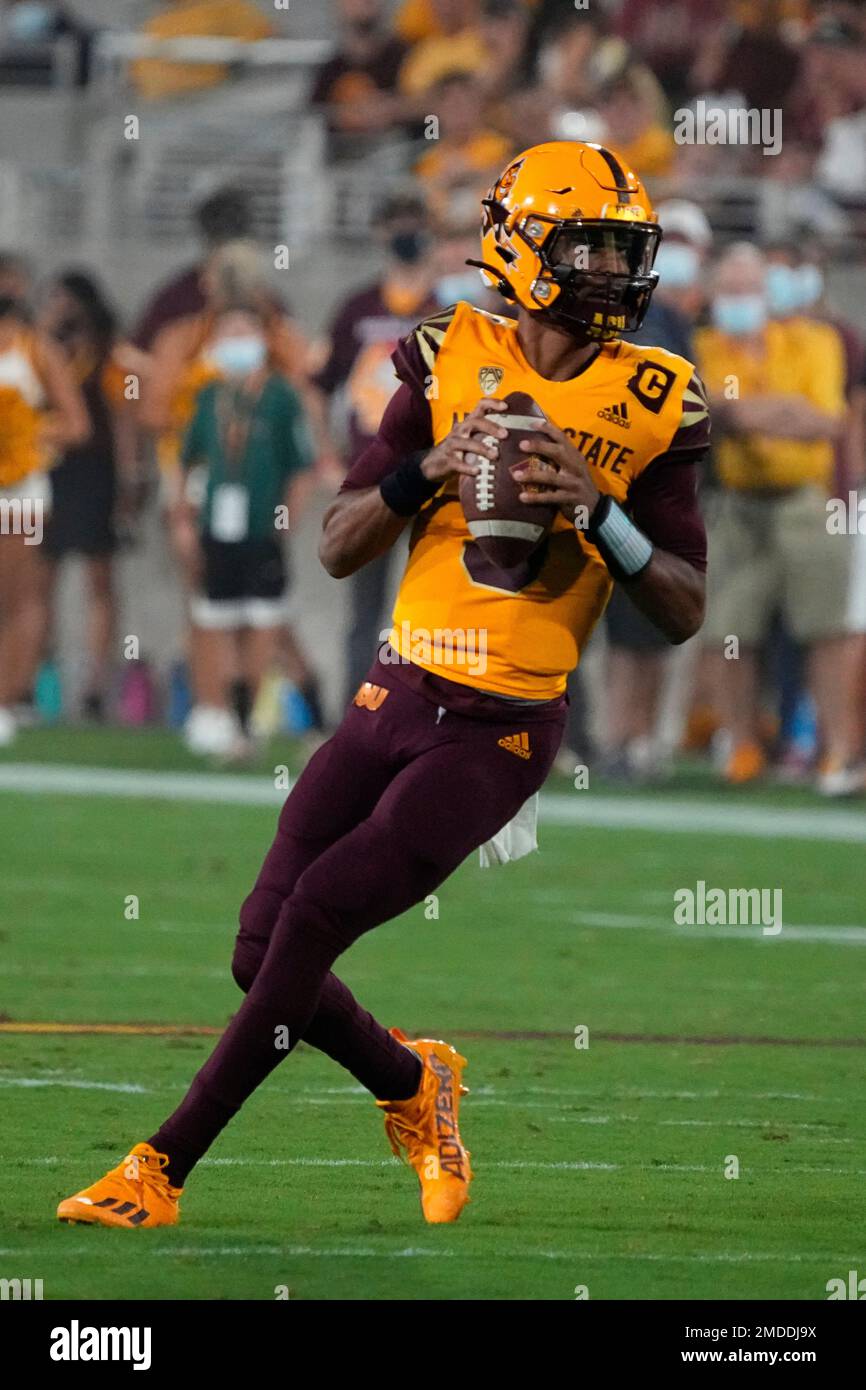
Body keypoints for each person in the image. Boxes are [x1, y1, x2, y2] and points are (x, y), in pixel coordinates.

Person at [56, 141, 709, 1230]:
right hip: (392, 694)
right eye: (588, 242)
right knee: (257, 951)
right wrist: (429, 469)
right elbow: (339, 542)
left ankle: (158, 1169)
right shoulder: (449, 351)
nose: (610, 268)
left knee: (314, 915)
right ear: (523, 246)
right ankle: (412, 1086)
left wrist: (600, 511)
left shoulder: (655, 396)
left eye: (621, 248)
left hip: (496, 730)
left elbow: (683, 605)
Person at [695, 242, 850, 787]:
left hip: (804, 499)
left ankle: (840, 751)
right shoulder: (704, 347)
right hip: (739, 507)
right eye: (729, 290)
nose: (739, 300)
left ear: (767, 293)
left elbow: (825, 422)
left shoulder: (814, 340)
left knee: (826, 630)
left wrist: (741, 413)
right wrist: (777, 410)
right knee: (729, 631)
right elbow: (710, 415)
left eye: (748, 289)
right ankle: (741, 747)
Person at [170, 303, 314, 760]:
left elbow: (301, 466)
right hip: (218, 526)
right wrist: (183, 517)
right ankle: (237, 724)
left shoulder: (280, 396)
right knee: (223, 623)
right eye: (226, 332)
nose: (235, 341)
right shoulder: (210, 396)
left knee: (269, 624)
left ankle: (297, 719)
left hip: (262, 527)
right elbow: (186, 457)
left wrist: (287, 517)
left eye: (243, 331)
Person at [312, 192, 439, 707]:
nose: (406, 235)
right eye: (396, 224)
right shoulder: (358, 308)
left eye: (414, 222)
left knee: (436, 602)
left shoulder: (447, 306)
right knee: (364, 608)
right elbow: (318, 383)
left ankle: (435, 714)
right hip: (376, 473)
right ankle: (355, 714)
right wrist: (327, 453)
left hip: (438, 472)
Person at [38, 272, 138, 721]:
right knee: (38, 581)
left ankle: (96, 684)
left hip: (94, 474)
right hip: (46, 473)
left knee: (99, 580)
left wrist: (130, 480)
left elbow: (123, 422)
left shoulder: (108, 356)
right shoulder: (40, 352)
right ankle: (37, 680)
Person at [0, 289, 87, 746]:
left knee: (18, 597)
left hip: (19, 497)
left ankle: (8, 699)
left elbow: (76, 424)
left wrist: (22, 432)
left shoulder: (37, 353)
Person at [130, 0, 273, 103]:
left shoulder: (229, 9)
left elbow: (267, 45)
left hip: (205, 100)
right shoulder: (156, 25)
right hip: (164, 104)